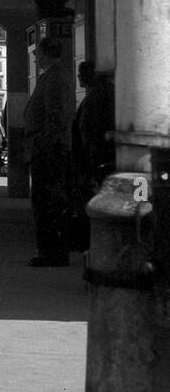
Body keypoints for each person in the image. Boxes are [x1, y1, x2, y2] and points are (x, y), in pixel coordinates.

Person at [23, 37, 75, 267]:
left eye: (37, 52)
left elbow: (55, 114)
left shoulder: (54, 78)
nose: (35, 56)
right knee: (46, 201)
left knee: (47, 201)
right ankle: (50, 250)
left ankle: (52, 252)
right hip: (47, 146)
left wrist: (43, 142)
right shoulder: (51, 76)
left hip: (48, 149)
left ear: (45, 52)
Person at [71, 63, 115, 253]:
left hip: (94, 159)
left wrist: (88, 162)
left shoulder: (97, 97)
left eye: (81, 74)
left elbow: (91, 131)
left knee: (91, 200)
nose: (79, 77)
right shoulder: (99, 94)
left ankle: (90, 241)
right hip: (94, 157)